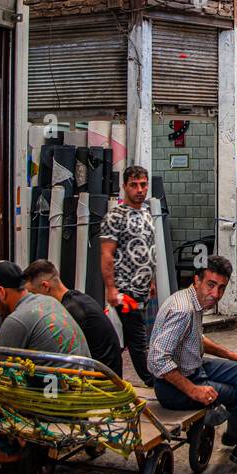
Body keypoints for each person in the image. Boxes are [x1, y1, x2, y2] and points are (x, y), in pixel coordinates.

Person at [0, 260, 90, 470]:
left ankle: (7, 451)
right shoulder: (47, 302)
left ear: (1, 291)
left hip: (54, 405)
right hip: (80, 392)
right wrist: (0, 343)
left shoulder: (15, 321)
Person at [148, 255, 237, 474]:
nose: (215, 294)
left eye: (221, 288)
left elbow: (196, 339)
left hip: (194, 366)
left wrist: (231, 355)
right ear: (197, 280)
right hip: (173, 388)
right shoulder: (183, 309)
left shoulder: (191, 300)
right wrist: (193, 390)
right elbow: (157, 360)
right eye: (211, 285)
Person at [100, 165, 156, 385]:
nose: (139, 190)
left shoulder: (146, 212)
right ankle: (150, 379)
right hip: (125, 291)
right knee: (137, 338)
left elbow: (148, 247)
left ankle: (118, 380)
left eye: (143, 184)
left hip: (142, 289)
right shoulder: (115, 216)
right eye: (134, 185)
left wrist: (151, 280)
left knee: (131, 338)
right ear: (124, 187)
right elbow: (107, 253)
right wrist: (111, 288)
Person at [23, 259, 123, 380]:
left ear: (45, 286)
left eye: (32, 293)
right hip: (107, 374)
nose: (32, 299)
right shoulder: (77, 300)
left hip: (101, 383)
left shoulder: (70, 312)